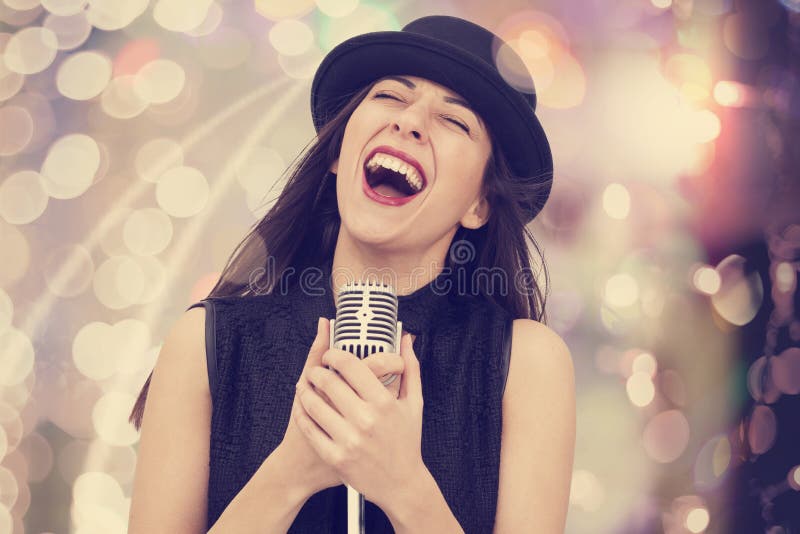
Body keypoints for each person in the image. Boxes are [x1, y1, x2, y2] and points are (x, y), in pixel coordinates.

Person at [127, 14, 575, 534]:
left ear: (479, 203)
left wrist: (403, 484)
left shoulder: (525, 364)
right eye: (390, 96)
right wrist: (292, 472)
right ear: (340, 151)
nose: (410, 122)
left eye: (455, 121)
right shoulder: (207, 343)